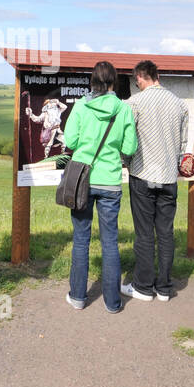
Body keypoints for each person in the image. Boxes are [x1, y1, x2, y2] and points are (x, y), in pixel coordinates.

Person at [61, 60, 137, 313]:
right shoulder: (123, 109)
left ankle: (78, 297)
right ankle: (113, 303)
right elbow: (129, 148)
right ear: (114, 82)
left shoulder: (82, 106)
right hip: (110, 181)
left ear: (92, 81)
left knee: (81, 239)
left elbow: (70, 140)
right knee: (110, 242)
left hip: (83, 179)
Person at [121, 60, 189, 303]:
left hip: (142, 175)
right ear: (157, 75)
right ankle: (164, 288)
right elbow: (182, 146)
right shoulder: (179, 105)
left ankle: (142, 287)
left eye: (135, 80)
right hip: (169, 178)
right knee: (166, 233)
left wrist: (126, 161)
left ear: (140, 77)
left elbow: (127, 140)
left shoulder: (134, 103)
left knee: (144, 234)